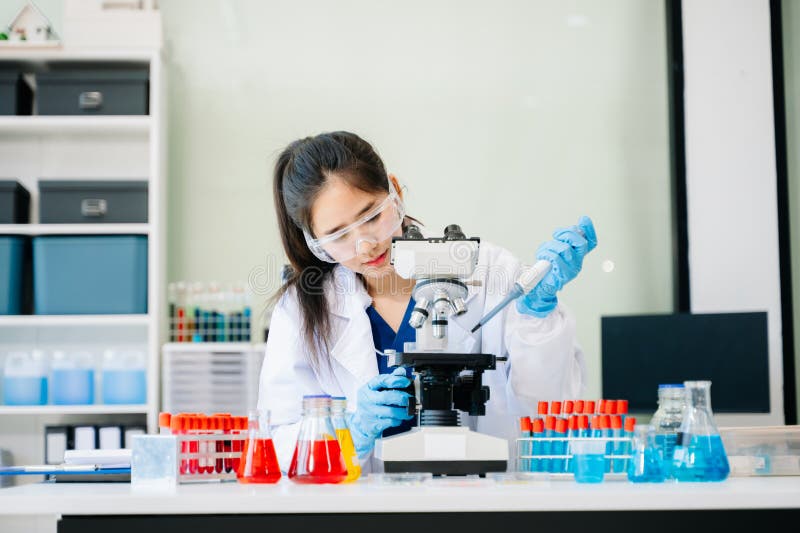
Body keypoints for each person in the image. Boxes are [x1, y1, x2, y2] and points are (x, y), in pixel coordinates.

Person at [258, 131, 597, 472]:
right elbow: (278, 443)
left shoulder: (489, 270)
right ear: (316, 242)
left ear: (395, 193)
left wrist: (538, 318)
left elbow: (551, 413)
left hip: (484, 504)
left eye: (373, 217)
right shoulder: (303, 311)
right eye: (340, 235)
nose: (366, 246)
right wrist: (351, 429)